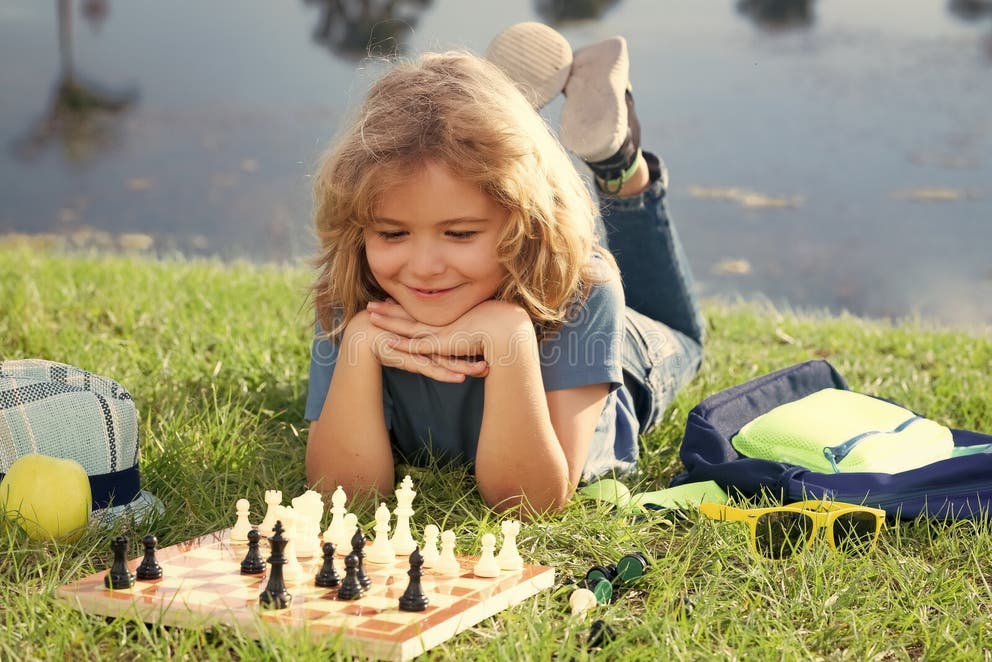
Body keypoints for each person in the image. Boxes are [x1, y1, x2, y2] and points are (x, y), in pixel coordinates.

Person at [304, 22, 704, 515]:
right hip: (506, 244)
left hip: (623, 344)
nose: (424, 267)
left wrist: (510, 333)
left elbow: (528, 503)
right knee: (457, 168)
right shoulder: (354, 290)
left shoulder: (584, 296)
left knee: (686, 338)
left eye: (460, 234)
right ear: (360, 226)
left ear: (523, 225)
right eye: (391, 233)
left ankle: (616, 160)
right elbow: (343, 497)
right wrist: (362, 342)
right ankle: (494, 119)